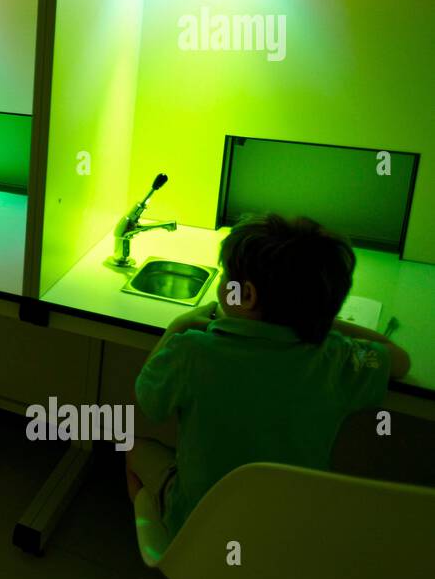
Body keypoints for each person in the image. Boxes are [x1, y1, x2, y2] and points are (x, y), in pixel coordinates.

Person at [127, 213, 410, 535]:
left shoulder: (192, 350)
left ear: (246, 296)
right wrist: (318, 318)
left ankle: (172, 543)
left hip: (202, 520)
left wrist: (177, 325)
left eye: (224, 277)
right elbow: (400, 360)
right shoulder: (338, 357)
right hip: (291, 525)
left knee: (133, 447)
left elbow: (147, 401)